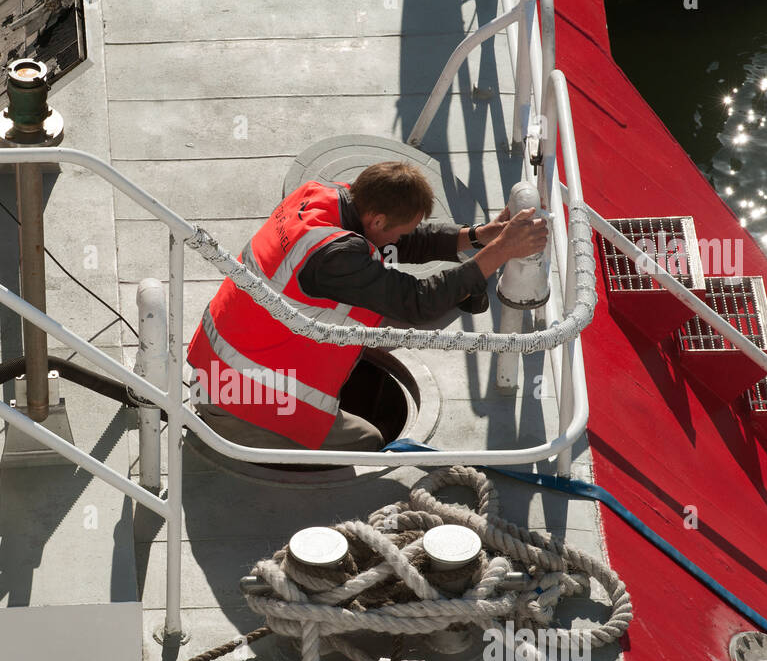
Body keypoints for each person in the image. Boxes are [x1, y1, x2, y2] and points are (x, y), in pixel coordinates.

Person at [185, 161, 548, 451]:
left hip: (217, 374)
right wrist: (500, 252)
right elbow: (417, 302)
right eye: (400, 231)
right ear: (376, 220)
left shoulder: (320, 198)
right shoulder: (335, 258)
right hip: (244, 402)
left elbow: (399, 239)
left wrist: (475, 236)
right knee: (370, 441)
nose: (402, 240)